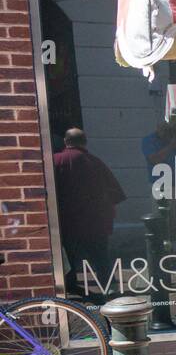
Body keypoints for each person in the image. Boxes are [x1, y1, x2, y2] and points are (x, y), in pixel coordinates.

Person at [52, 127, 126, 301]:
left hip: (67, 222)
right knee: (100, 257)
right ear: (84, 142)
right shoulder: (95, 162)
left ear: (65, 142)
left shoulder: (55, 161)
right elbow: (116, 193)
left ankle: (69, 287)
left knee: (69, 258)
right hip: (95, 221)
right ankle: (109, 288)